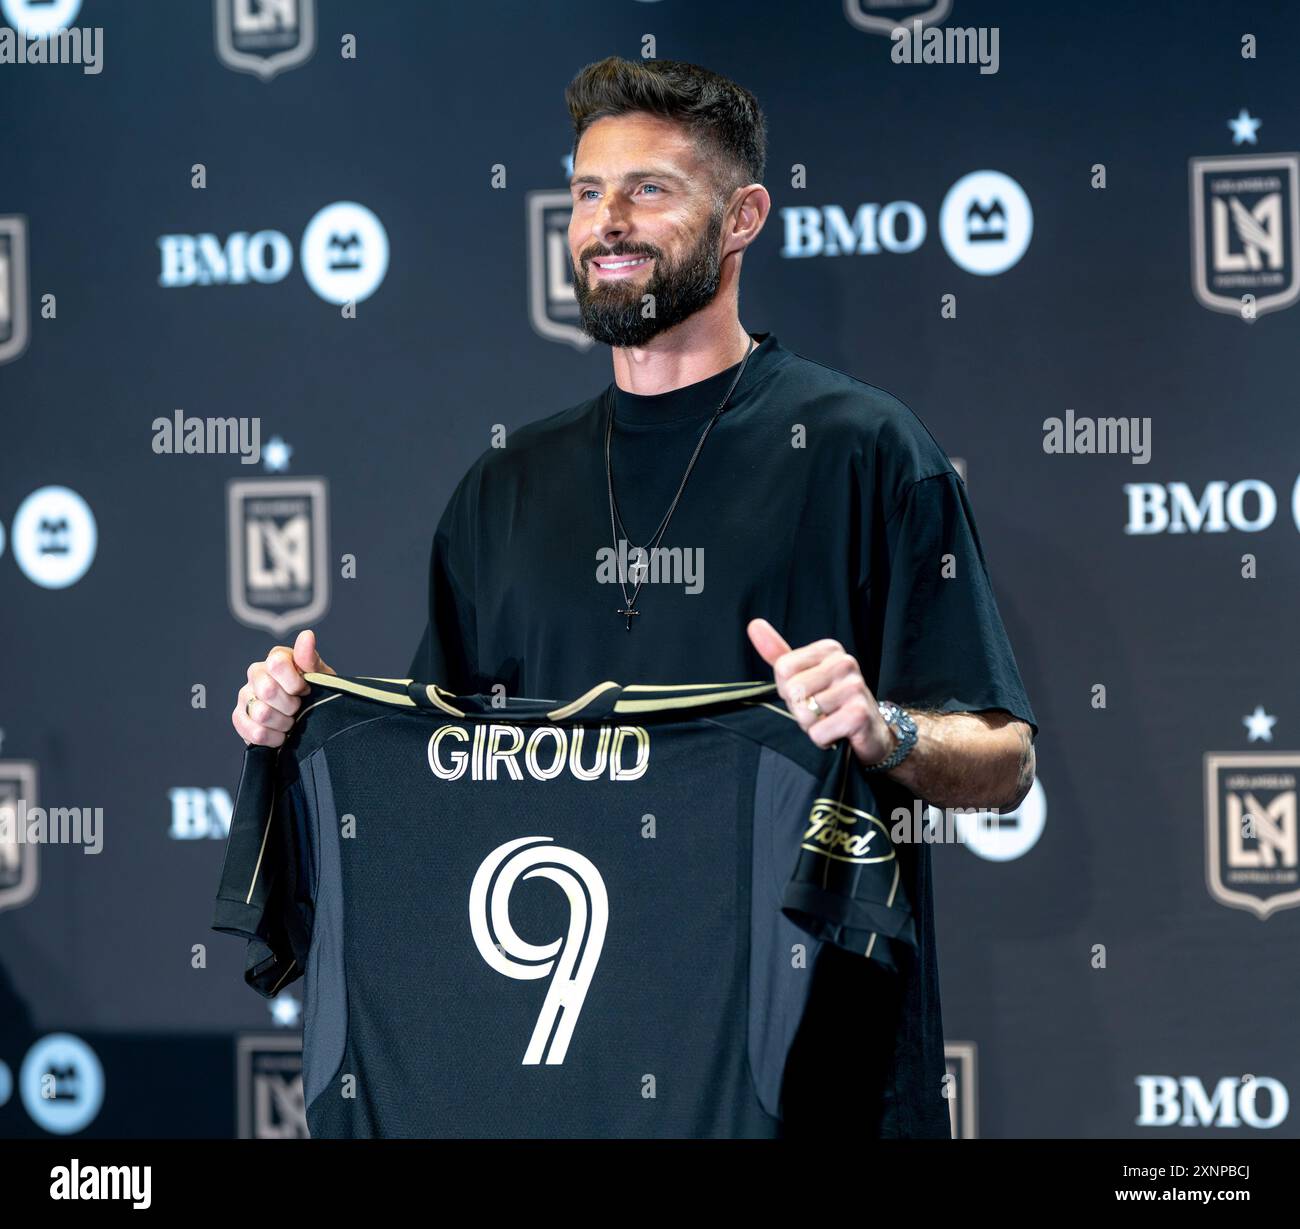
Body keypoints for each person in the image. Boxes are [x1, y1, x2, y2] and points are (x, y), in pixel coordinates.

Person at [230, 56, 1038, 1136]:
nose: (607, 221)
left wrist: (879, 728)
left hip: (812, 1087)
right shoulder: (505, 484)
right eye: (585, 192)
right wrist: (311, 713)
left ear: (742, 215)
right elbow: (443, 783)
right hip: (558, 1093)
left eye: (649, 189)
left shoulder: (866, 451)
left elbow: (1003, 761)